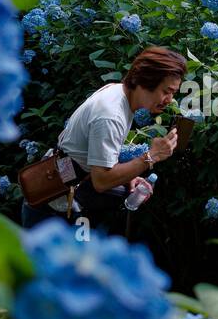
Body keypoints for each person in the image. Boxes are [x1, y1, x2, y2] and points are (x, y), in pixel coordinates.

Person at [20, 46, 187, 230]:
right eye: (166, 91)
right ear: (146, 81)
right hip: (53, 210)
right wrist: (151, 156)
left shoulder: (118, 93)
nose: (170, 99)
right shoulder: (111, 115)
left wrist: (127, 177)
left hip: (59, 190)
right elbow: (102, 181)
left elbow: (97, 159)